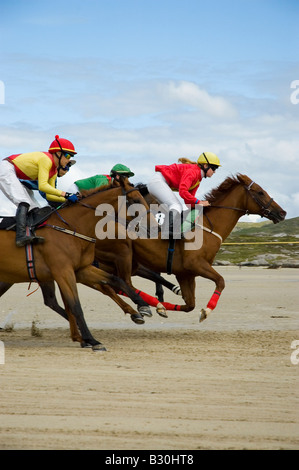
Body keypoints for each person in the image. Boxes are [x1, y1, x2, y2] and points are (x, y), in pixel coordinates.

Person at [0, 135, 78, 247]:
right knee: (24, 202)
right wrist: (65, 194)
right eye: (67, 155)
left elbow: (49, 196)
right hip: (6, 168)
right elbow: (43, 186)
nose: (69, 159)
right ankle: (20, 237)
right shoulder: (46, 160)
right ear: (58, 154)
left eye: (71, 156)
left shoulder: (54, 171)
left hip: (15, 175)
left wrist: (66, 200)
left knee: (34, 209)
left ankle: (28, 233)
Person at [147, 152, 221, 238]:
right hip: (158, 182)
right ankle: (167, 232)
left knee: (174, 209)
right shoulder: (193, 172)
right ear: (205, 166)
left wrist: (200, 205)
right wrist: (199, 201)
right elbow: (182, 191)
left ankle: (158, 231)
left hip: (159, 183)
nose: (215, 171)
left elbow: (188, 201)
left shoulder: (198, 180)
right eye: (214, 168)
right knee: (176, 205)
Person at [67, 163, 134, 194]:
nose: (127, 180)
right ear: (117, 176)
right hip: (76, 189)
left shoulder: (113, 184)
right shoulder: (104, 181)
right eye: (126, 177)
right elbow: (98, 195)